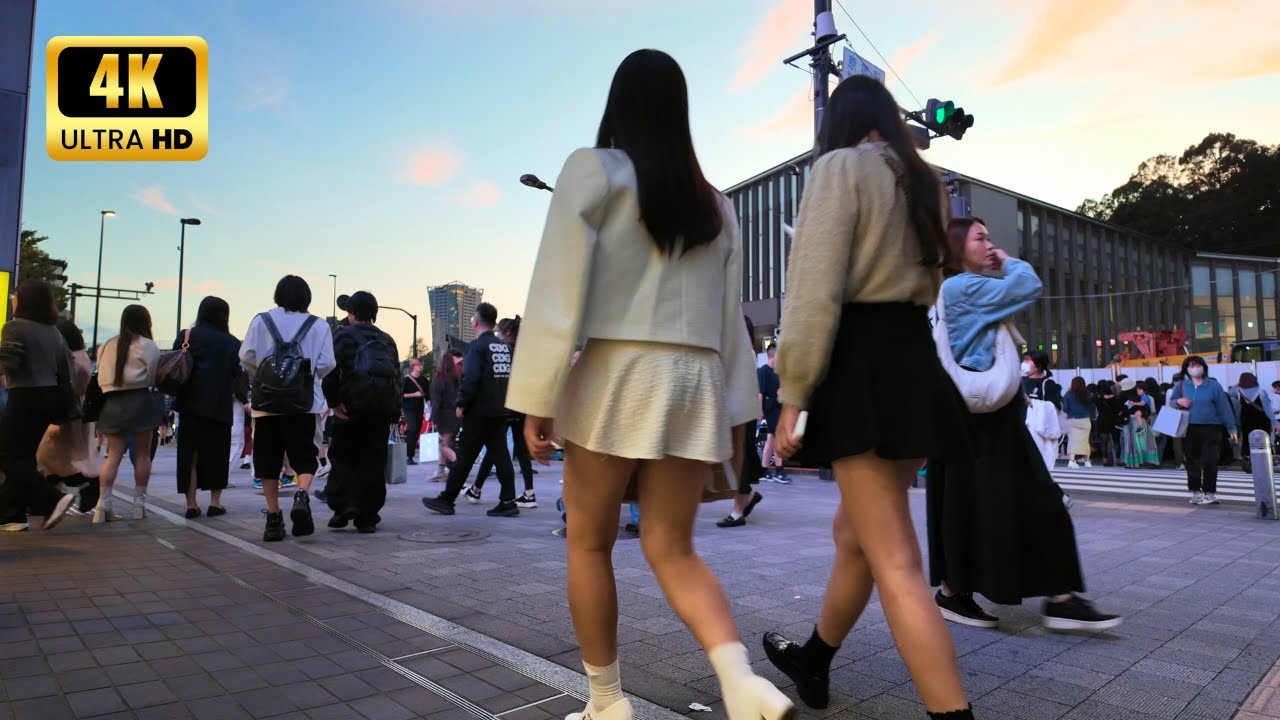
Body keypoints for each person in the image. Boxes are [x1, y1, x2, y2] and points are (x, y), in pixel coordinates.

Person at [507, 50, 792, 720]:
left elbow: (556, 293)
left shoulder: (594, 171)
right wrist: (734, 419)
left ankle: (606, 702)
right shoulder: (717, 206)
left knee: (588, 540)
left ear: (619, 103)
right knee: (674, 547)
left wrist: (537, 397)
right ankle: (741, 682)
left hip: (614, 372)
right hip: (693, 379)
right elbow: (733, 329)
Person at [761, 75, 973, 719]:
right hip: (911, 361)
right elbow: (935, 287)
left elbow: (812, 291)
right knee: (855, 534)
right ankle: (813, 660)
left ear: (842, 125)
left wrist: (791, 398)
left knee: (897, 562)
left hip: (860, 366)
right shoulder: (925, 182)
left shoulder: (841, 168)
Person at [926, 216, 1120, 636]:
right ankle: (1058, 597)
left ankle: (956, 590)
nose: (990, 244)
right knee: (1035, 501)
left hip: (975, 419)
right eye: (981, 237)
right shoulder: (962, 286)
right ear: (957, 246)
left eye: (990, 237)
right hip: (986, 421)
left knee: (974, 506)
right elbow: (1027, 287)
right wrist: (1011, 261)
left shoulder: (954, 290)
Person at [240, 275, 336, 541]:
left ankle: (273, 519)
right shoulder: (318, 326)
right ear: (307, 297)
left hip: (267, 404)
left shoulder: (261, 321)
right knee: (305, 456)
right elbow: (327, 363)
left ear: (277, 295)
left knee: (267, 461)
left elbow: (246, 356)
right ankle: (302, 494)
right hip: (304, 404)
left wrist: (265, 373)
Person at [421, 303, 521, 517]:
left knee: (465, 455)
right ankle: (508, 500)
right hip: (500, 409)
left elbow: (471, 378)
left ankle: (447, 499)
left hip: (479, 411)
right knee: (501, 455)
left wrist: (462, 403)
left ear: (475, 321)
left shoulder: (477, 347)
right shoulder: (504, 347)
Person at [0, 281, 78, 531]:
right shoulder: (54, 331)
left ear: (25, 301)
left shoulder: (13, 327)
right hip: (49, 397)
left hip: (25, 394)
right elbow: (67, 369)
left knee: (6, 455)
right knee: (22, 456)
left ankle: (52, 499)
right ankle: (13, 515)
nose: (13, 299)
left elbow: (8, 363)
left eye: (16, 296)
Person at [322, 291, 400, 533]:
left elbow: (330, 372)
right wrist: (394, 412)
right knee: (373, 461)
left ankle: (342, 506)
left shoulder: (342, 336)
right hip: (380, 411)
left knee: (343, 456)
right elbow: (397, 378)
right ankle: (368, 515)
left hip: (351, 407)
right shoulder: (387, 340)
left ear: (352, 313)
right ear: (375, 314)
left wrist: (334, 402)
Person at [172, 296, 242, 519]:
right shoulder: (231, 342)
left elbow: (175, 361)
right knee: (217, 455)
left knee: (189, 456)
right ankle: (215, 503)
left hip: (189, 404)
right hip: (219, 406)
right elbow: (236, 372)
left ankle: (191, 505)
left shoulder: (186, 336)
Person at [93, 304, 162, 522]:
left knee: (113, 455)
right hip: (140, 400)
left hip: (112, 402)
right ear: (146, 322)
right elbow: (153, 377)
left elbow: (99, 376)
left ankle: (102, 505)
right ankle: (138, 505)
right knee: (142, 455)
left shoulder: (106, 345)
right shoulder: (148, 345)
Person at [37, 318, 99, 511]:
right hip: (74, 413)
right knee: (63, 458)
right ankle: (52, 498)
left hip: (63, 413)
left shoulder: (69, 359)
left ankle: (89, 485)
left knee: (50, 458)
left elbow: (64, 388)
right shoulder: (81, 357)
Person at [1170, 356, 1236, 505]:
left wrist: (1231, 428)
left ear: (1203, 367)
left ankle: (1210, 493)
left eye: (1197, 365)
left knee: (1210, 460)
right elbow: (1172, 402)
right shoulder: (1181, 385)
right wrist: (1178, 401)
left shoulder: (1213, 386)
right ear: (1186, 368)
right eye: (1191, 365)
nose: (1195, 367)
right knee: (1192, 461)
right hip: (1189, 427)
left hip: (1212, 428)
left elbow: (1224, 408)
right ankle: (1195, 492)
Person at [428, 352, 461, 480]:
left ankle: (460, 467)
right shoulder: (456, 380)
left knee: (443, 445)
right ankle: (441, 470)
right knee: (445, 443)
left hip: (444, 416)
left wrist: (432, 418)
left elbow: (436, 402)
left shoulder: (438, 381)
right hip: (455, 416)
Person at [1061, 377, 1096, 469]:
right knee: (1085, 441)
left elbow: (1065, 408)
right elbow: (1092, 407)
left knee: (1072, 441)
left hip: (1073, 420)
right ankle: (1087, 461)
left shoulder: (1068, 394)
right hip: (1085, 420)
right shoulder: (1088, 394)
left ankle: (1072, 461)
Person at [402, 357, 428, 465]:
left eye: (421, 364)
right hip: (409, 409)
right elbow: (401, 394)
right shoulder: (406, 380)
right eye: (418, 365)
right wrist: (414, 394)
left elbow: (428, 395)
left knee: (416, 432)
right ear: (413, 366)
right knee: (412, 429)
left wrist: (431, 406)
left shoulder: (424, 380)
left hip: (419, 409)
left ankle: (410, 456)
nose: (420, 366)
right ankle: (407, 455)